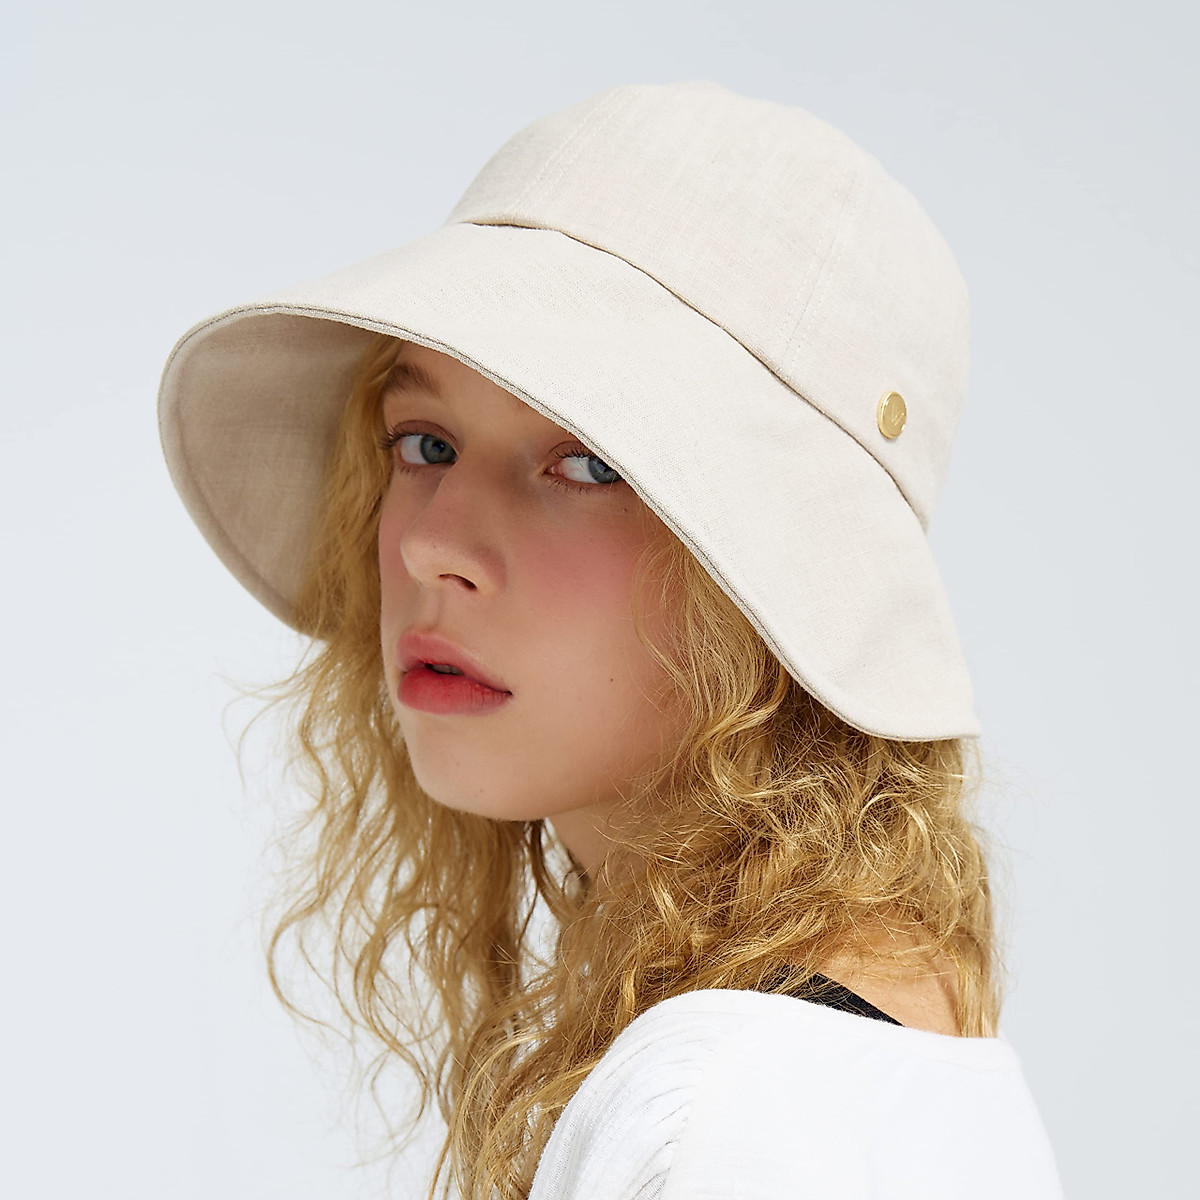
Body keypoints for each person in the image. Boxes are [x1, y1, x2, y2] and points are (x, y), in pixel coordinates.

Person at [158, 80, 1064, 1199]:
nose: (431, 545)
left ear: (773, 576)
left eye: (588, 463)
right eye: (425, 442)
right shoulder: (846, 1062)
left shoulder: (723, 1113)